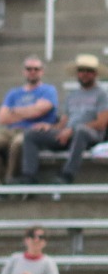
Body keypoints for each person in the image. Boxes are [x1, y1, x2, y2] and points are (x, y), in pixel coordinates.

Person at [20, 55, 108, 185]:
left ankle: (67, 174)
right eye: (81, 70)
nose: (84, 74)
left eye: (88, 71)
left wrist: (71, 130)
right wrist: (50, 127)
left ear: (95, 74)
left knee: (81, 130)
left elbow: (101, 123)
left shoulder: (102, 94)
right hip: (69, 134)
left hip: (91, 135)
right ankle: (28, 175)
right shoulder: (71, 96)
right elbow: (64, 121)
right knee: (32, 134)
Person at [0, 57, 59, 184]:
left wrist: (14, 111)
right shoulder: (13, 93)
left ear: (42, 72)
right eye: (29, 69)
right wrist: (30, 110)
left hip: (33, 131)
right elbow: (2, 118)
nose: (32, 72)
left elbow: (39, 111)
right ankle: (6, 181)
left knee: (18, 143)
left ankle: (11, 180)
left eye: (36, 69)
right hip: (11, 130)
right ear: (23, 71)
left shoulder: (48, 90)